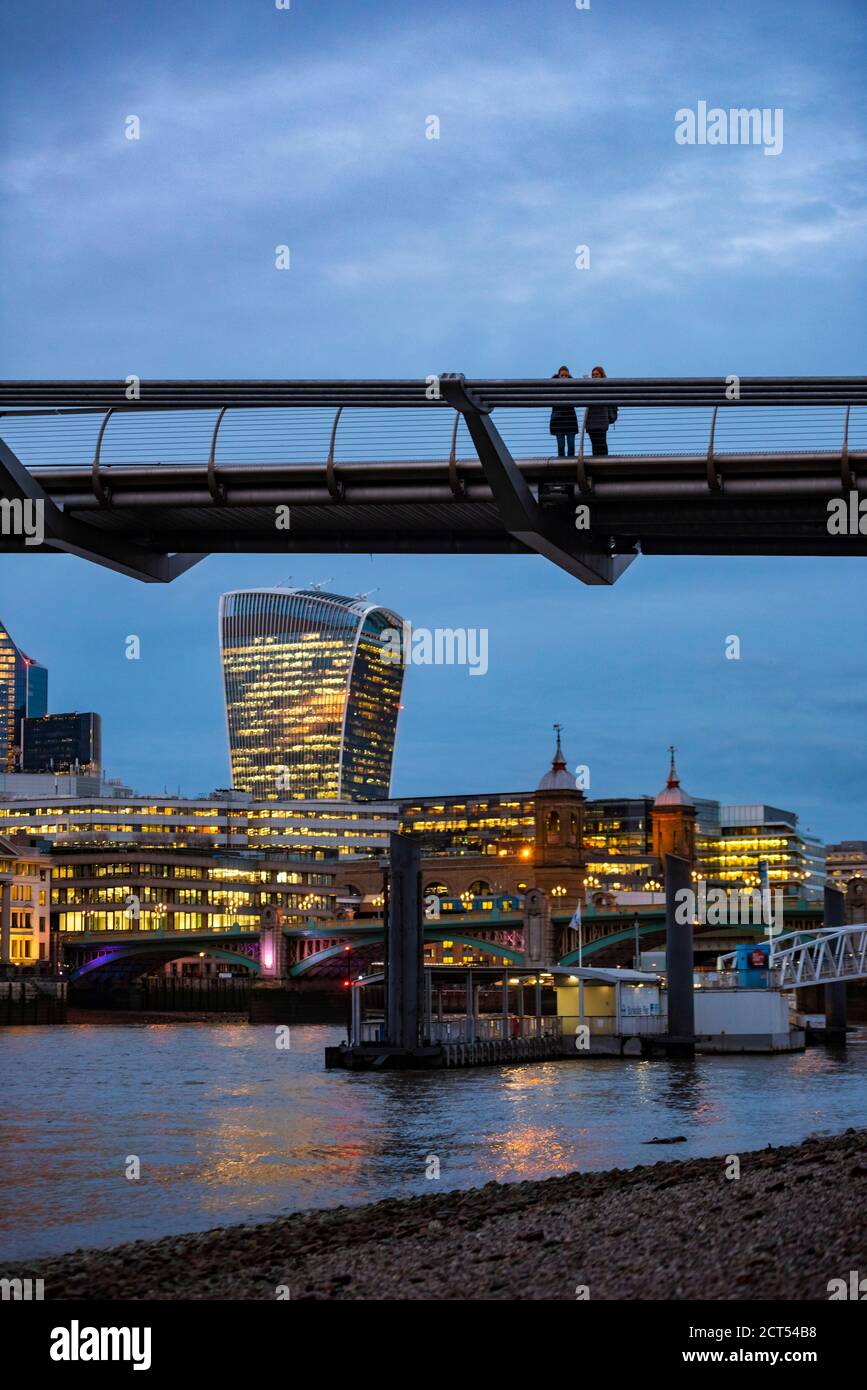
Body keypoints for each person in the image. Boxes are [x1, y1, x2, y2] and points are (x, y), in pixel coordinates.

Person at [584, 364, 618, 456]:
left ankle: (603, 462)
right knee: (594, 445)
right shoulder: (589, 388)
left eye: (597, 374)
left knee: (601, 444)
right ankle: (597, 464)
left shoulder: (606, 387)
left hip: (601, 420)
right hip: (591, 421)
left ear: (602, 375)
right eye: (593, 374)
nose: (594, 376)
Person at [549, 365, 578, 457]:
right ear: (558, 376)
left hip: (570, 421)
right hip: (558, 421)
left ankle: (571, 464)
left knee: (571, 446)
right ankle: (562, 466)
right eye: (562, 375)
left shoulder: (573, 388)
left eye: (566, 375)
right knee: (561, 446)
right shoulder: (552, 388)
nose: (564, 377)